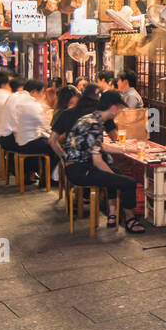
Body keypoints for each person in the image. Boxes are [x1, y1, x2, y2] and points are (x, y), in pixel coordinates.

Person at [64, 90, 144, 233]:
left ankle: (113, 216)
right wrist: (114, 178)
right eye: (120, 107)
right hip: (81, 170)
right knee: (128, 182)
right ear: (113, 107)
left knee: (114, 173)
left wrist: (126, 150)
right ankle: (130, 220)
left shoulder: (90, 119)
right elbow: (97, 160)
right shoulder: (95, 124)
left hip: (75, 167)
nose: (120, 111)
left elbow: (100, 146)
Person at [11, 79, 55, 185]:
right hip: (29, 142)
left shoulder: (20, 101)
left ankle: (38, 175)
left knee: (46, 142)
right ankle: (47, 179)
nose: (44, 96)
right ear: (35, 92)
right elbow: (45, 126)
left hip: (20, 140)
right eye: (42, 92)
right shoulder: (32, 105)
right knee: (55, 148)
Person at [0, 77, 27, 154]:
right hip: (10, 139)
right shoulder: (19, 99)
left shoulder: (10, 98)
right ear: (22, 88)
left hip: (3, 137)